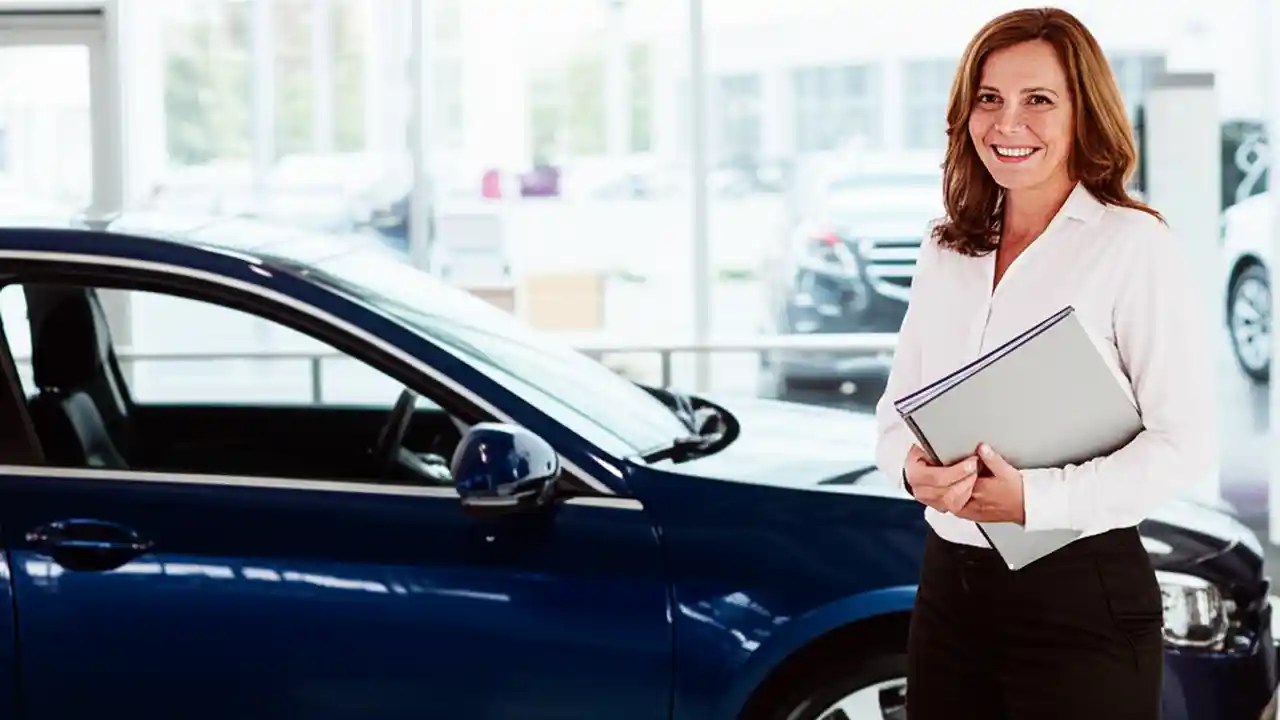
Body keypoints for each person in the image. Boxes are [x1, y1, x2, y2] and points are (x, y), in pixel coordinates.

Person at [874, 7, 1218, 720]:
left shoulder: (1132, 246)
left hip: (1079, 598)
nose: (1008, 124)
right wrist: (913, 472)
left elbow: (1183, 446)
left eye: (1038, 100)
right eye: (990, 98)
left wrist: (1034, 500)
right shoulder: (947, 249)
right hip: (949, 593)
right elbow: (895, 412)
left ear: (1082, 112)